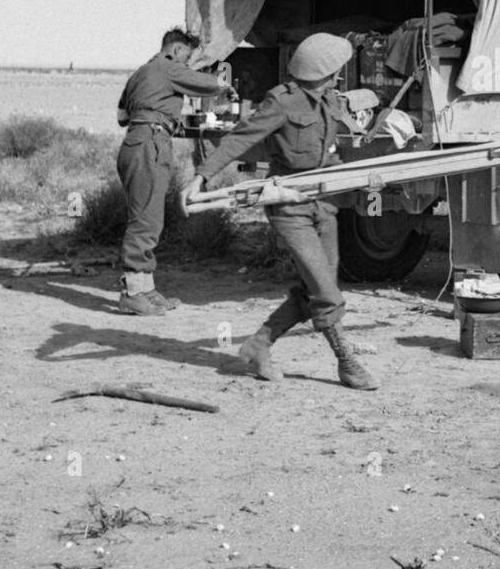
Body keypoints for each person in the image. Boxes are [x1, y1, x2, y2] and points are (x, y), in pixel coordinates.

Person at [183, 33, 378, 391]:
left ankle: (257, 346)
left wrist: (356, 179)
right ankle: (346, 362)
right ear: (325, 71)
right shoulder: (282, 101)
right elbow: (241, 138)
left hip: (324, 205)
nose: (339, 75)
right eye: (336, 69)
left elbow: (330, 153)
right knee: (325, 290)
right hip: (288, 206)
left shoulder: (330, 101)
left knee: (316, 287)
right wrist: (201, 177)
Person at [116, 27, 230, 314]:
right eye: (187, 57)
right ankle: (132, 292)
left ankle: (145, 289)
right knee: (145, 220)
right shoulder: (167, 67)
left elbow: (121, 115)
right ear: (177, 50)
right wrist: (226, 85)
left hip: (136, 140)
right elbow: (207, 84)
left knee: (148, 217)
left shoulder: (140, 73)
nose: (186, 63)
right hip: (151, 144)